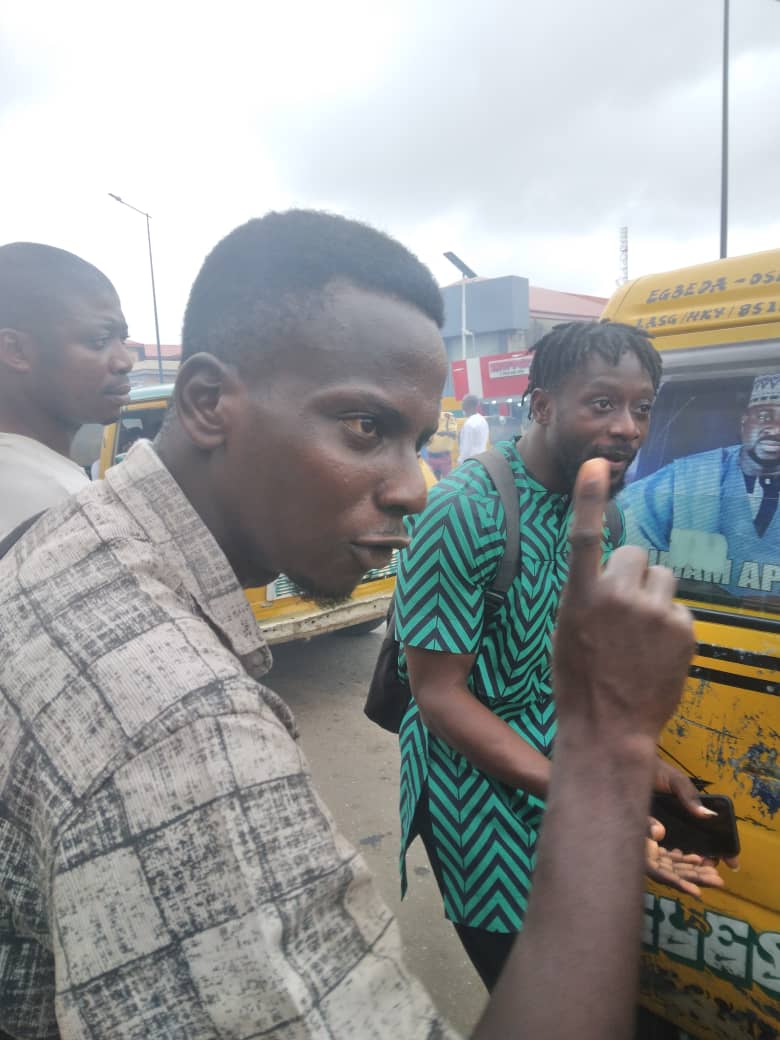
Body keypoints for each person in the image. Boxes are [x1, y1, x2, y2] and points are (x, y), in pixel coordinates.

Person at [0, 212, 703, 1040]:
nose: (412, 486)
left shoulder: (71, 542)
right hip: (490, 820)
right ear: (205, 401)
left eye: (416, 437)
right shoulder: (187, 730)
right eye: (365, 427)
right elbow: (439, 697)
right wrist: (609, 761)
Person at [394, 320, 725, 992]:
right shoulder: (467, 509)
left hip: (563, 769)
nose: (629, 427)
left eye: (641, 407)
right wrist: (583, 794)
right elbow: (438, 696)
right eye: (602, 404)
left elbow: (580, 677)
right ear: (542, 405)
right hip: (476, 794)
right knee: (532, 984)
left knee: (587, 965)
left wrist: (636, 761)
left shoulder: (607, 514)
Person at [0, 242, 134, 539]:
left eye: (123, 339)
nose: (124, 361)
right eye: (99, 340)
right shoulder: (59, 505)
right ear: (16, 350)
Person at [619, 372, 780, 600]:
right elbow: (625, 521)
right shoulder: (692, 474)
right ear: (744, 421)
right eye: (764, 417)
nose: (775, 429)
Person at [457, 392, 489, 464]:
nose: (462, 407)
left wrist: (460, 462)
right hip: (482, 460)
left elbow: (466, 448)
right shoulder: (482, 420)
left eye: (463, 404)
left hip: (471, 463)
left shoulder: (469, 424)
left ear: (468, 406)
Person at [426, 410, 458, 479]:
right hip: (431, 456)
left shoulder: (448, 417)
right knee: (434, 481)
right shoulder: (428, 419)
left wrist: (445, 433)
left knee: (448, 481)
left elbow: (454, 434)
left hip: (444, 457)